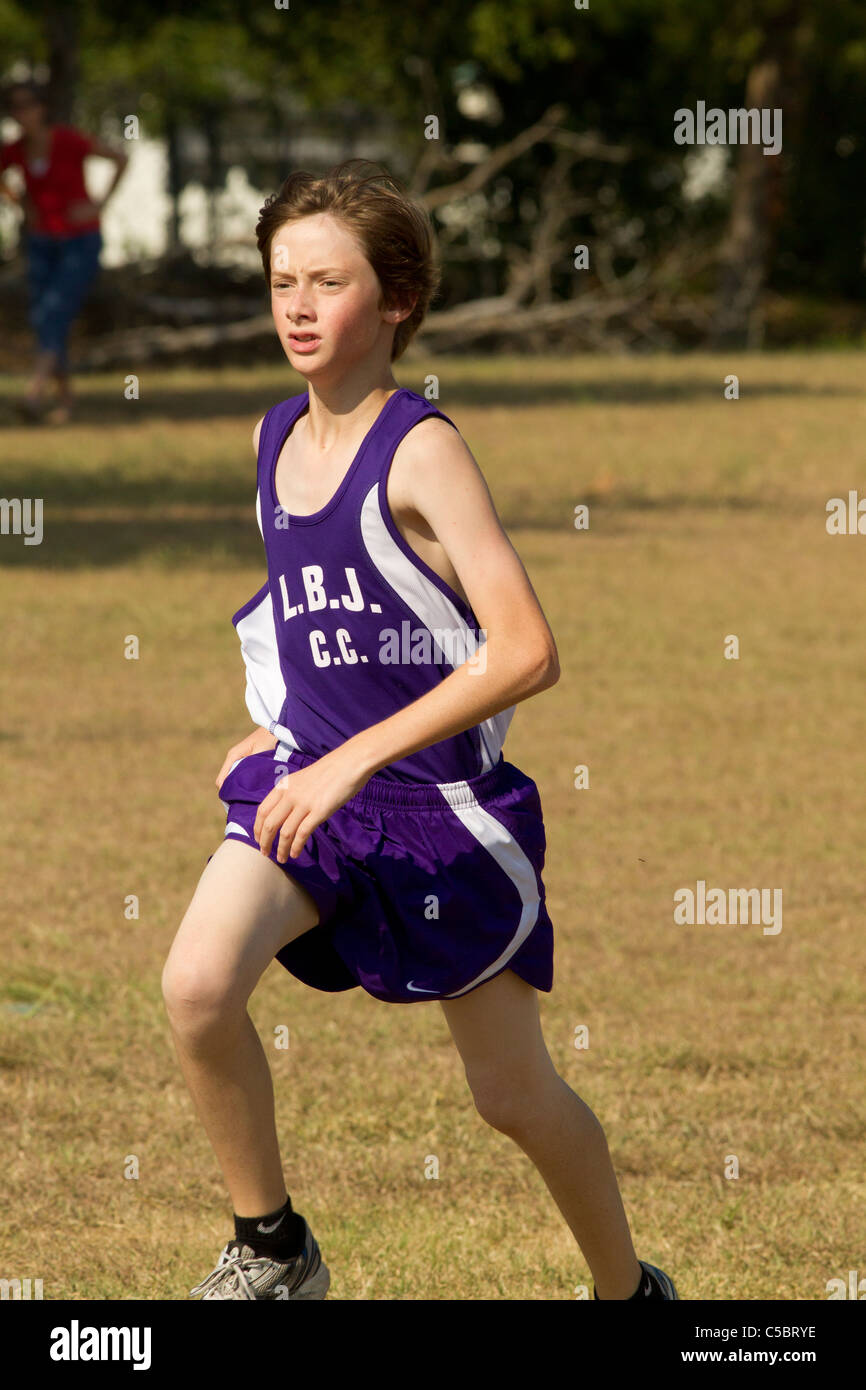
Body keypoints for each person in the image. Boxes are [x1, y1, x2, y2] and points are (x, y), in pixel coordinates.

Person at [162, 158, 679, 1303]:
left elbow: (523, 649)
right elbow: (313, 613)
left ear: (394, 300)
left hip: (439, 815)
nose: (296, 305)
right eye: (280, 279)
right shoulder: (272, 442)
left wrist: (355, 755)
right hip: (312, 798)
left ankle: (626, 1292)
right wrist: (280, 730)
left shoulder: (423, 448)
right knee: (197, 984)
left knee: (509, 1097)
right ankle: (273, 1246)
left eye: (327, 282)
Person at [0, 79, 128, 424]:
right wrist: (20, 202)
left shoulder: (68, 140)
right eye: (15, 107)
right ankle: (66, 403)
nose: (22, 113)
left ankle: (34, 392)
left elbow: (119, 156)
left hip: (79, 241)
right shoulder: (15, 149)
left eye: (28, 104)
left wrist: (98, 205)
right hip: (42, 242)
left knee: (53, 313)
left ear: (42, 107)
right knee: (47, 320)